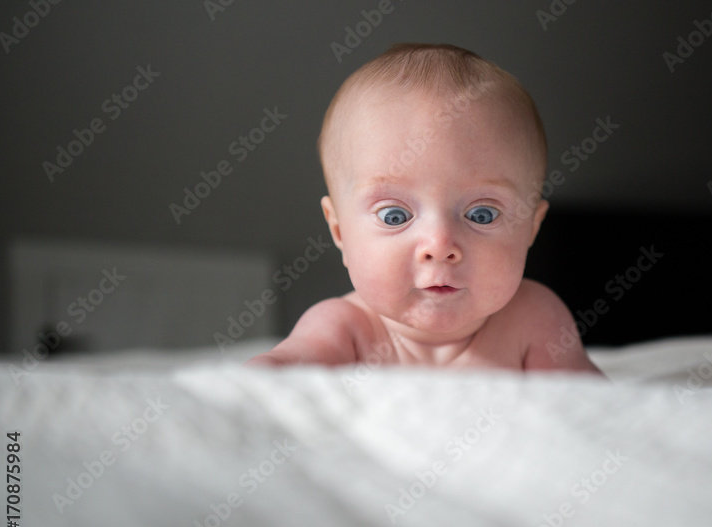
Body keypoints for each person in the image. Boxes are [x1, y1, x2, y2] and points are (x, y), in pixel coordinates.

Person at [246, 43, 601, 374]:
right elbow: (274, 380)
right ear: (339, 232)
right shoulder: (344, 326)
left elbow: (589, 414)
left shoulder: (535, 319)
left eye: (482, 214)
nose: (440, 245)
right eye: (394, 216)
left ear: (531, 228)